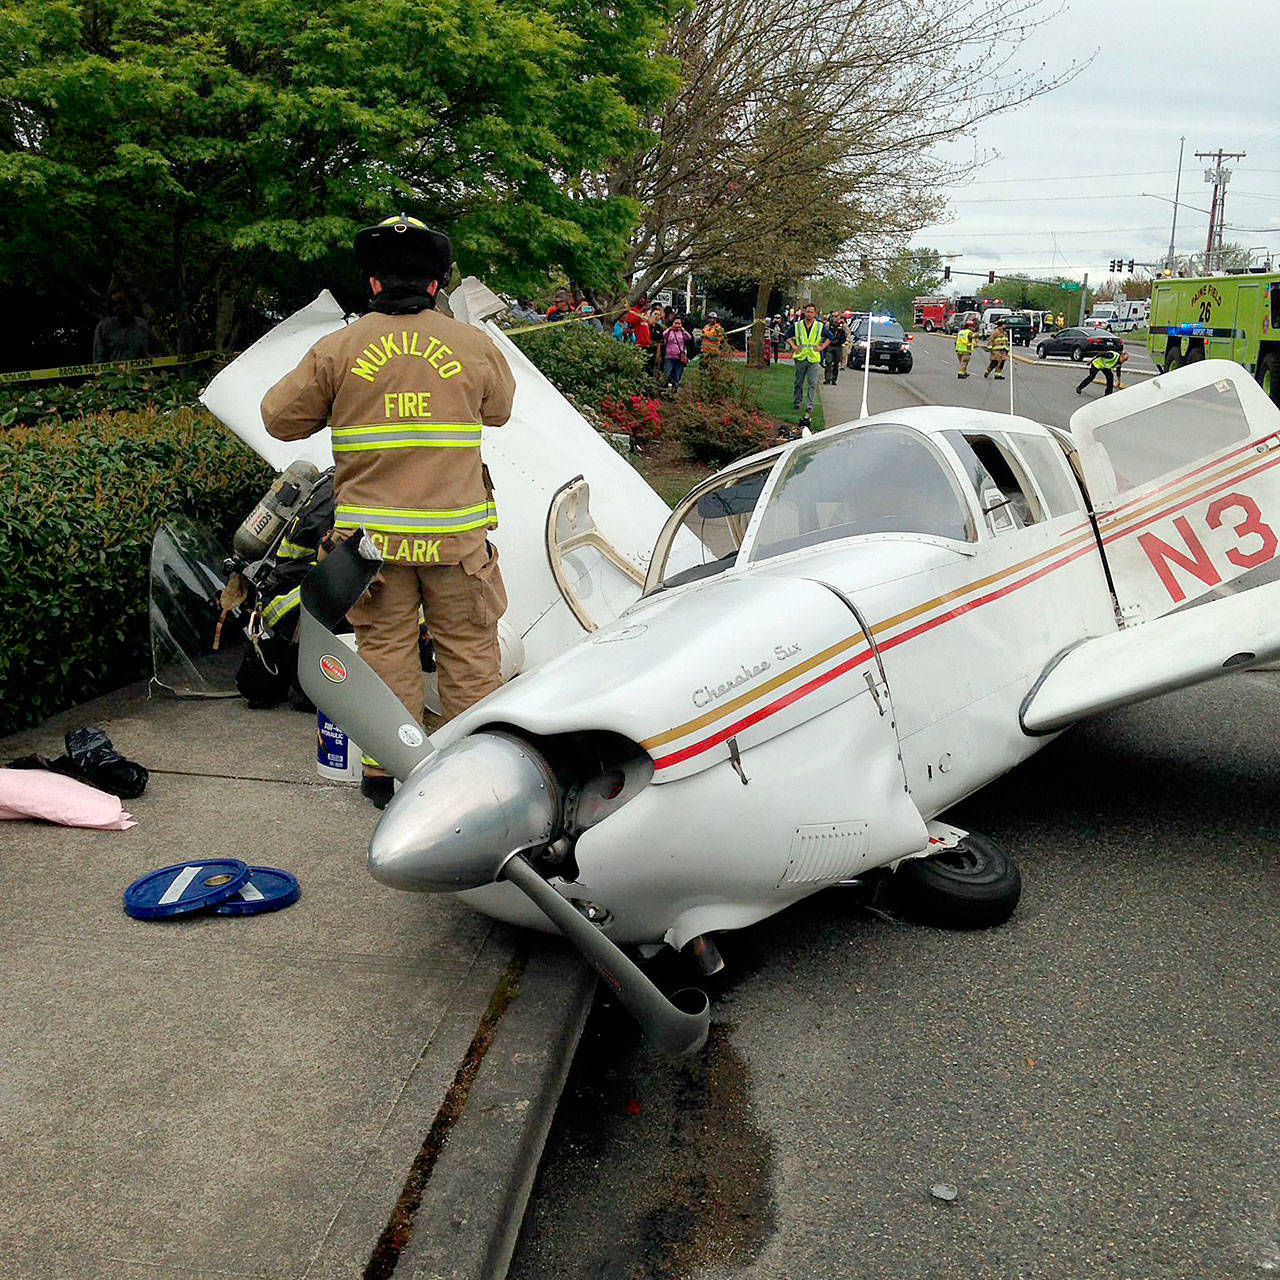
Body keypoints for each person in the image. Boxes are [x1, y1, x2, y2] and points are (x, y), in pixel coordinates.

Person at [260, 214, 516, 808]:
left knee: (385, 657)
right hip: (458, 546)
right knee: (470, 654)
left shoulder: (338, 349)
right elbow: (500, 410)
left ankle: (387, 776)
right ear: (436, 285)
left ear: (372, 283)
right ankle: (478, 782)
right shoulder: (472, 345)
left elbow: (279, 417)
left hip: (369, 551)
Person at [92, 291, 162, 363]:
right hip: (116, 372)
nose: (119, 307)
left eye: (122, 303)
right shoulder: (104, 327)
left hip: (142, 371)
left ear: (130, 304)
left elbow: (158, 350)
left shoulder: (142, 324)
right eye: (115, 304)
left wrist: (153, 358)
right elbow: (98, 359)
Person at [787, 304, 828, 423]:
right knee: (799, 382)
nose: (809, 314)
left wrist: (822, 347)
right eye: (807, 311)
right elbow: (787, 336)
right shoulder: (798, 325)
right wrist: (794, 346)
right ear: (804, 313)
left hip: (813, 358)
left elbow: (830, 337)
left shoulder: (819, 326)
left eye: (811, 312)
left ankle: (810, 405)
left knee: (812, 383)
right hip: (801, 357)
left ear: (815, 314)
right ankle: (797, 402)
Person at [662, 316, 692, 389]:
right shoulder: (670, 331)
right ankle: (664, 389)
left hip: (679, 357)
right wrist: (670, 329)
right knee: (667, 374)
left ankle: (675, 390)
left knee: (677, 375)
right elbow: (663, 335)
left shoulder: (682, 332)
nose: (677, 325)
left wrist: (683, 330)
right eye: (676, 323)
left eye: (679, 323)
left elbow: (689, 337)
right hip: (669, 357)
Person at [823, 311, 847, 384]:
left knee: (836, 364)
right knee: (828, 362)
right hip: (829, 346)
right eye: (833, 316)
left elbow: (848, 334)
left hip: (838, 346)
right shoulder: (828, 324)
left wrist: (846, 342)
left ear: (839, 317)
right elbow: (824, 334)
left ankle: (834, 379)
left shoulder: (843, 326)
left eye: (836, 316)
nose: (834, 318)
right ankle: (827, 379)